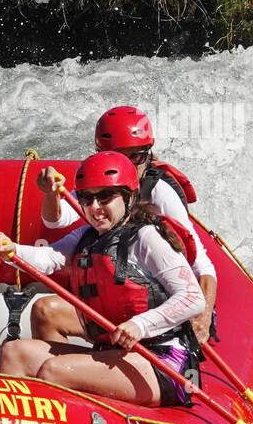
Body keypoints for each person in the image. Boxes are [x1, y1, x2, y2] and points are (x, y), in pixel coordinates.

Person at [0, 152, 205, 407]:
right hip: (112, 353)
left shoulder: (147, 238)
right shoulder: (87, 236)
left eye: (105, 196)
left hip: (162, 361)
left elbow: (192, 297)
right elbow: (49, 257)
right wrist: (11, 250)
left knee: (55, 370)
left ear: (129, 196)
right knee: (14, 353)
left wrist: (140, 325)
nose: (95, 207)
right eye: (87, 198)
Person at [33, 106, 217, 343]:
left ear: (148, 153)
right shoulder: (98, 184)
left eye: (136, 157)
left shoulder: (159, 192)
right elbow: (55, 220)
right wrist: (50, 194)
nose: (128, 165)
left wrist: (202, 317)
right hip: (116, 295)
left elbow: (199, 263)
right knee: (46, 312)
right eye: (118, 156)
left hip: (154, 296)